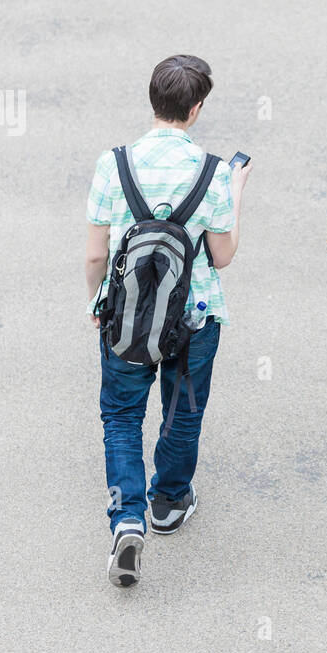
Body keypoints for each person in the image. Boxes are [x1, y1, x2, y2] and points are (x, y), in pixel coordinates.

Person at [84, 54, 252, 587]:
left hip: (126, 315)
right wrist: (235, 188)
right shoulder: (212, 173)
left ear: (152, 100)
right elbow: (222, 257)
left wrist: (98, 302)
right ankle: (168, 502)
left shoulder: (114, 164)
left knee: (121, 416)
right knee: (182, 413)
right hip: (195, 317)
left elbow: (94, 254)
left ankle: (127, 518)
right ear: (196, 109)